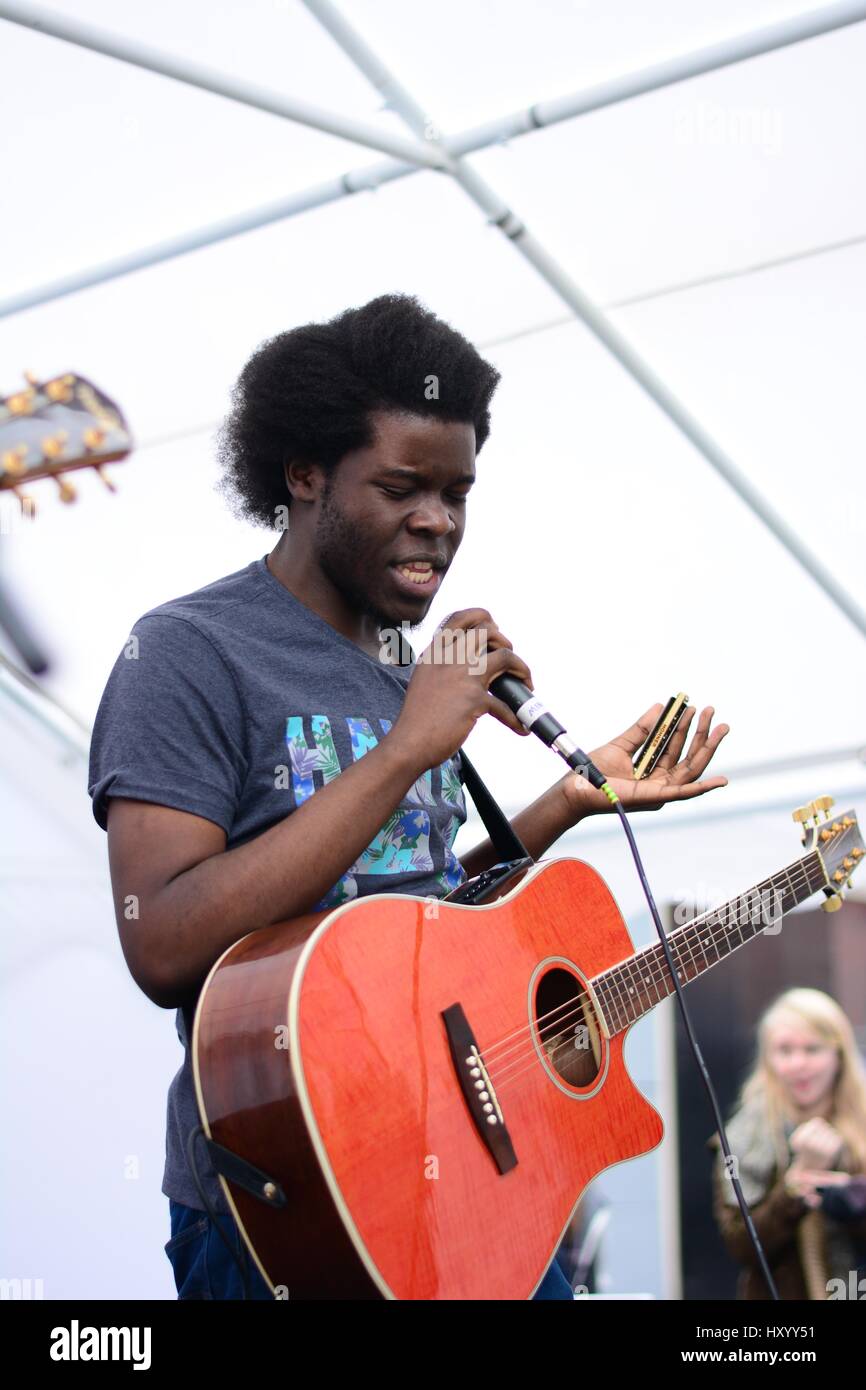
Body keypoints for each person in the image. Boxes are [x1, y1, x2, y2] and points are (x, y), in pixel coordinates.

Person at [88, 292, 730, 1300]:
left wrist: (564, 801)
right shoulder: (187, 651)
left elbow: (409, 913)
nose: (437, 520)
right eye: (400, 486)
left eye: (457, 492)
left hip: (471, 1169)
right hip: (295, 1200)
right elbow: (163, 943)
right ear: (303, 475)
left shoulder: (404, 674)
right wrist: (403, 748)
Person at [710, 987, 866, 1299]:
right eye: (785, 1051)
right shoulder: (743, 1137)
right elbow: (741, 1246)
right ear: (768, 1059)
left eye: (812, 1049)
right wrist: (794, 1187)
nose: (799, 1064)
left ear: (838, 1055)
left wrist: (849, 1196)